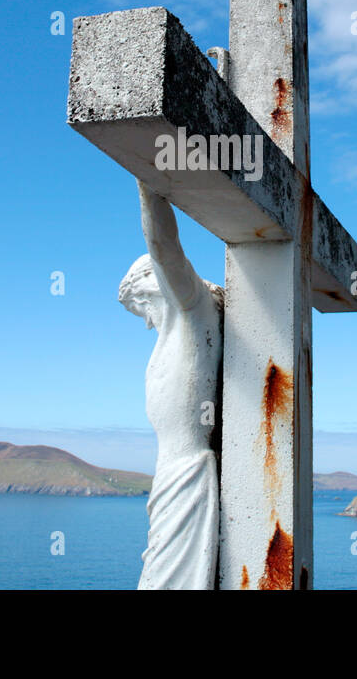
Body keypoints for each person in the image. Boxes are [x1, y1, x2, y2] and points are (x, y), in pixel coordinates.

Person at [118, 179, 224, 589]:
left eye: (139, 307)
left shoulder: (190, 311)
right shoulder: (169, 335)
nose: (144, 319)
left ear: (154, 286)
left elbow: (165, 246)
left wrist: (145, 177)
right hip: (168, 481)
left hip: (187, 478)